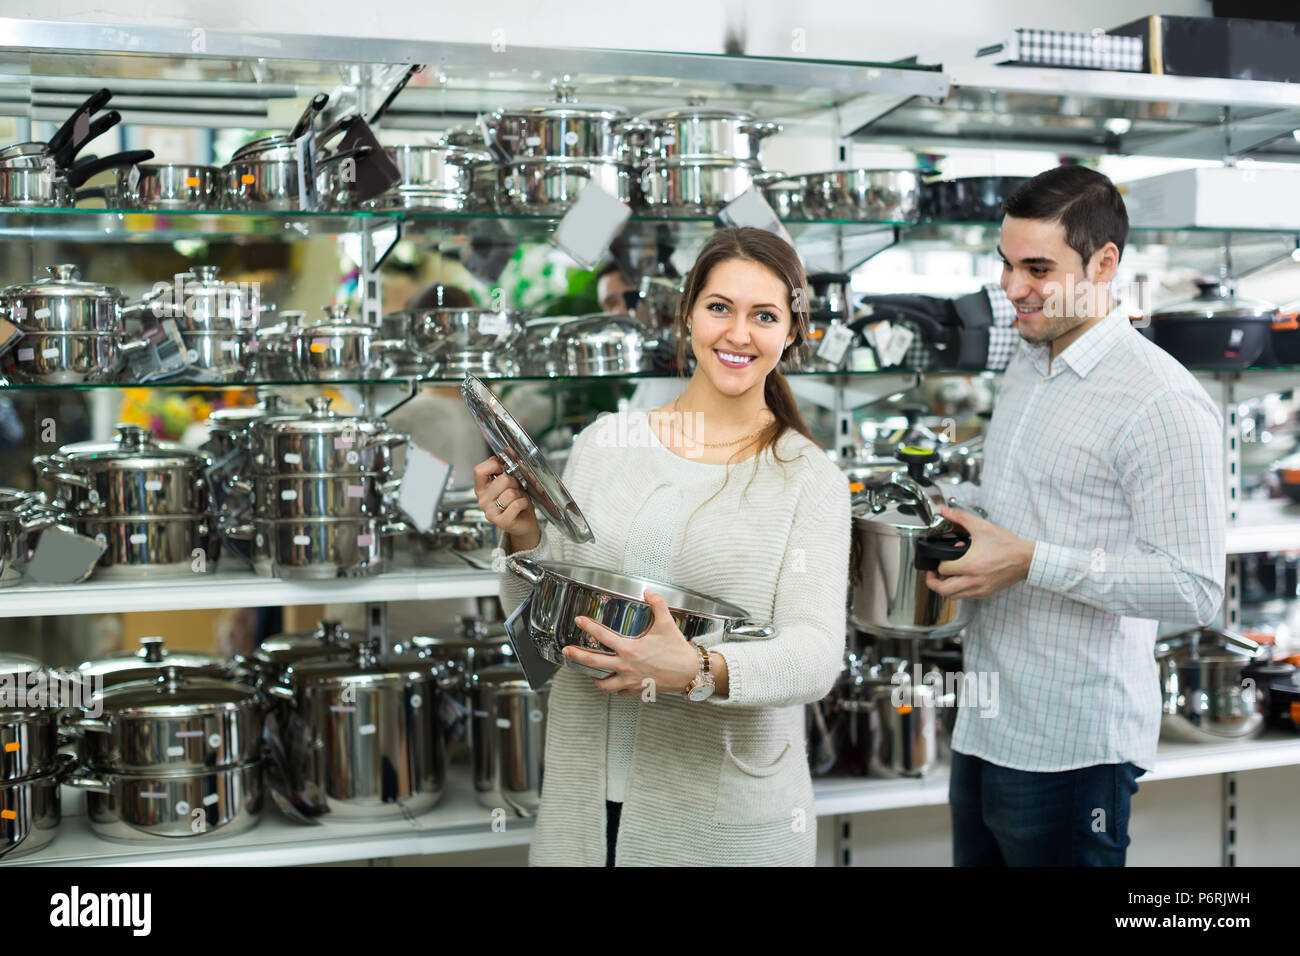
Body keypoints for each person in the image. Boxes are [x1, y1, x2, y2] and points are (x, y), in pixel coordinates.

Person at [477, 227, 851, 866]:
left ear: (792, 332)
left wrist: (699, 670)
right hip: (584, 803)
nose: (738, 334)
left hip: (720, 818)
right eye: (719, 308)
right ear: (687, 314)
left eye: (764, 316)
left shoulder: (808, 477)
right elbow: (542, 621)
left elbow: (816, 655)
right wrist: (522, 538)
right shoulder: (606, 443)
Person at [928, 165, 1226, 866]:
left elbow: (1194, 586)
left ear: (1103, 263)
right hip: (986, 723)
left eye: (1036, 268)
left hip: (1074, 747)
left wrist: (1030, 560)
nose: (1010, 289)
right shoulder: (1029, 362)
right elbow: (1023, 512)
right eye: (1005, 264)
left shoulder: (1161, 402)